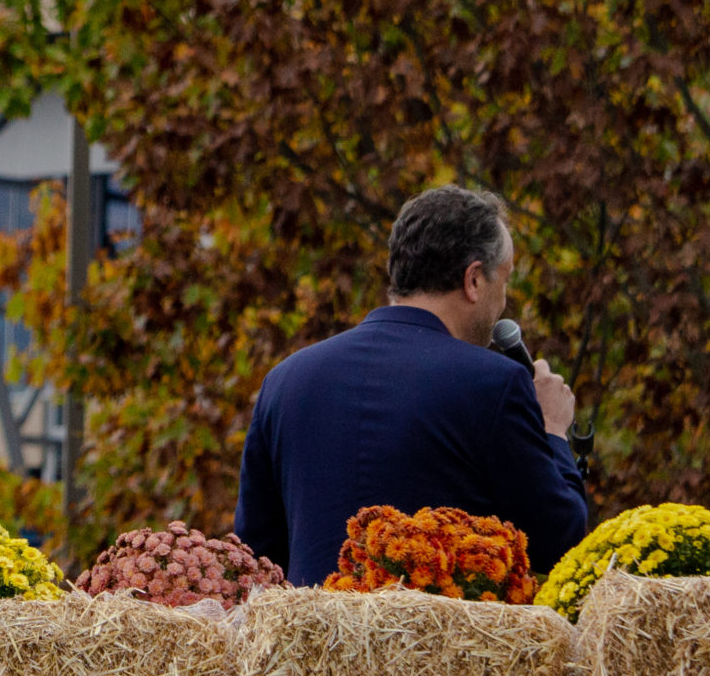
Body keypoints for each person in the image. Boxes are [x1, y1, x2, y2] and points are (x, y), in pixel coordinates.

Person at [232, 184, 589, 585]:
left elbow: (254, 561)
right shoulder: (494, 383)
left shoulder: (284, 382)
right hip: (439, 646)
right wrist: (554, 432)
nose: (502, 302)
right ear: (473, 280)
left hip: (310, 646)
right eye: (502, 281)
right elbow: (561, 543)